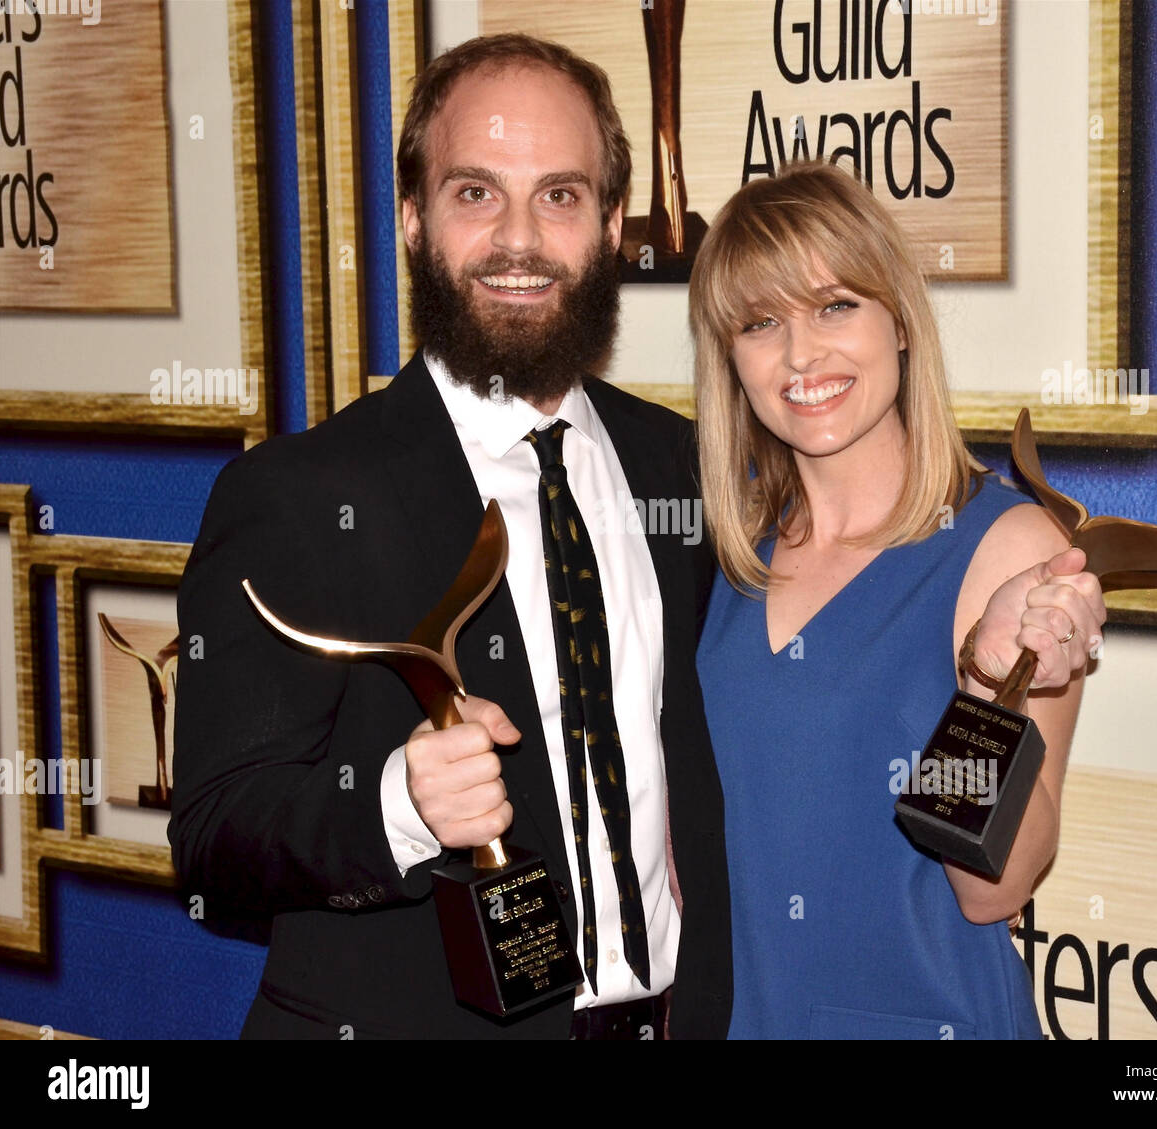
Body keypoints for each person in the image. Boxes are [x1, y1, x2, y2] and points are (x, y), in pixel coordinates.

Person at [169, 34, 731, 1040]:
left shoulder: (684, 467)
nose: (519, 240)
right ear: (414, 219)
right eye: (477, 193)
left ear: (611, 225)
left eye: (560, 196)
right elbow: (212, 846)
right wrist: (395, 805)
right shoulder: (293, 496)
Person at [688, 161, 1106, 1039]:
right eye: (761, 322)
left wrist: (988, 687)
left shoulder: (1005, 547)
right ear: (730, 359)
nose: (802, 355)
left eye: (836, 304)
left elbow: (995, 889)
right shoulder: (731, 559)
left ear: (901, 322)